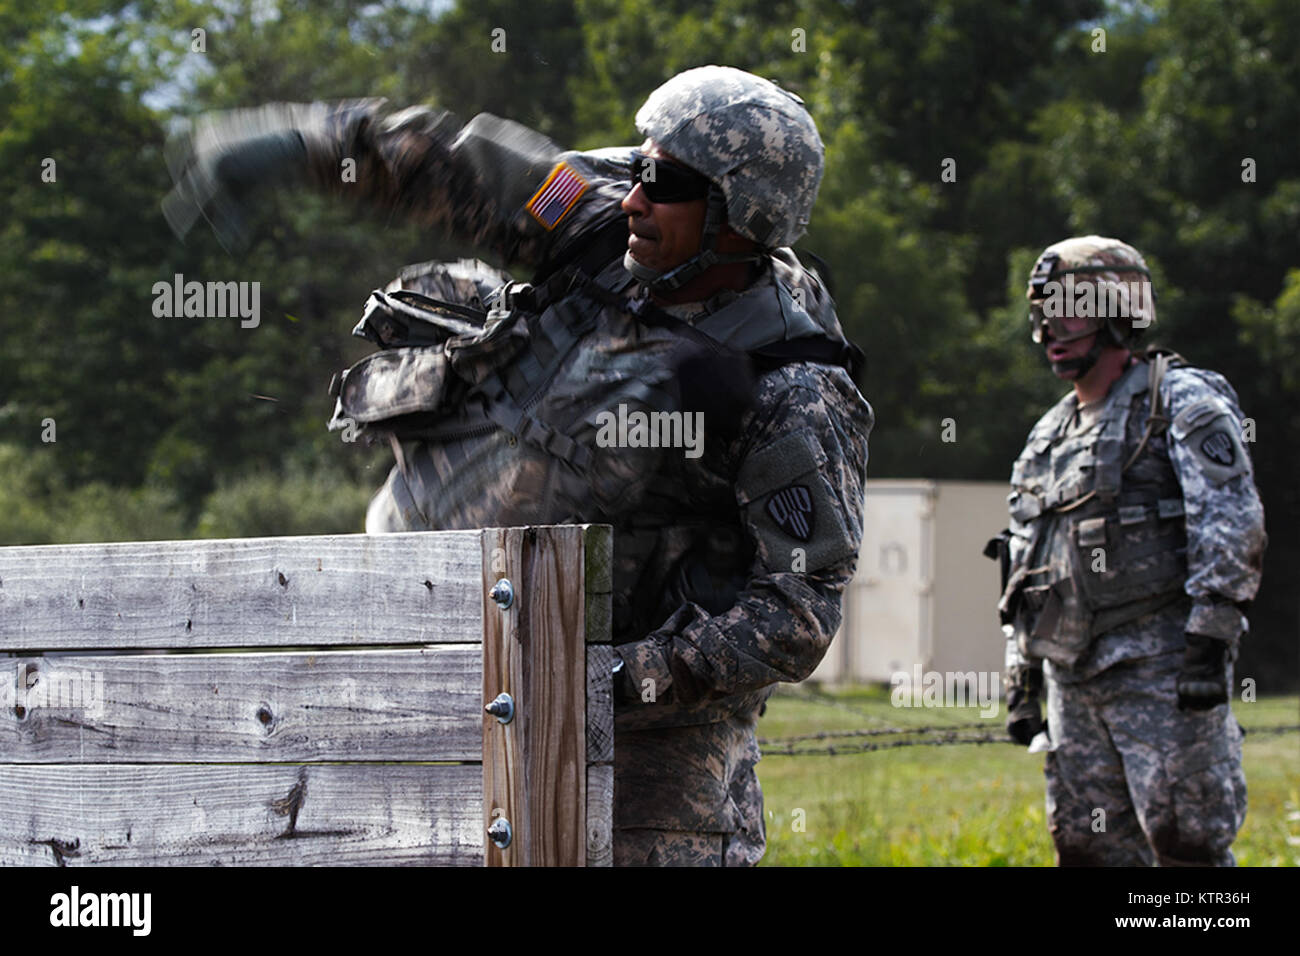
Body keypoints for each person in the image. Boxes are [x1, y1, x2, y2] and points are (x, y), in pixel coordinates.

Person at [163, 65, 873, 866]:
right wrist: (307, 145)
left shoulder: (792, 386)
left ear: (742, 216)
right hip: (456, 690)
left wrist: (603, 682)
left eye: (666, 183)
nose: (636, 195)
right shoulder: (599, 224)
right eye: (639, 168)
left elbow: (797, 613)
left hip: (650, 768)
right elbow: (464, 168)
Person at [998, 235, 1265, 866]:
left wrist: (1211, 638)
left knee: (1187, 845)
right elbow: (1024, 557)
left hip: (1163, 668)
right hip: (1072, 679)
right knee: (1087, 850)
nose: (1052, 327)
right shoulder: (1048, 434)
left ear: (1120, 311)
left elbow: (1229, 517)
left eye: (1072, 308)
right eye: (1044, 311)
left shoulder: (1178, 401)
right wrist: (1021, 671)